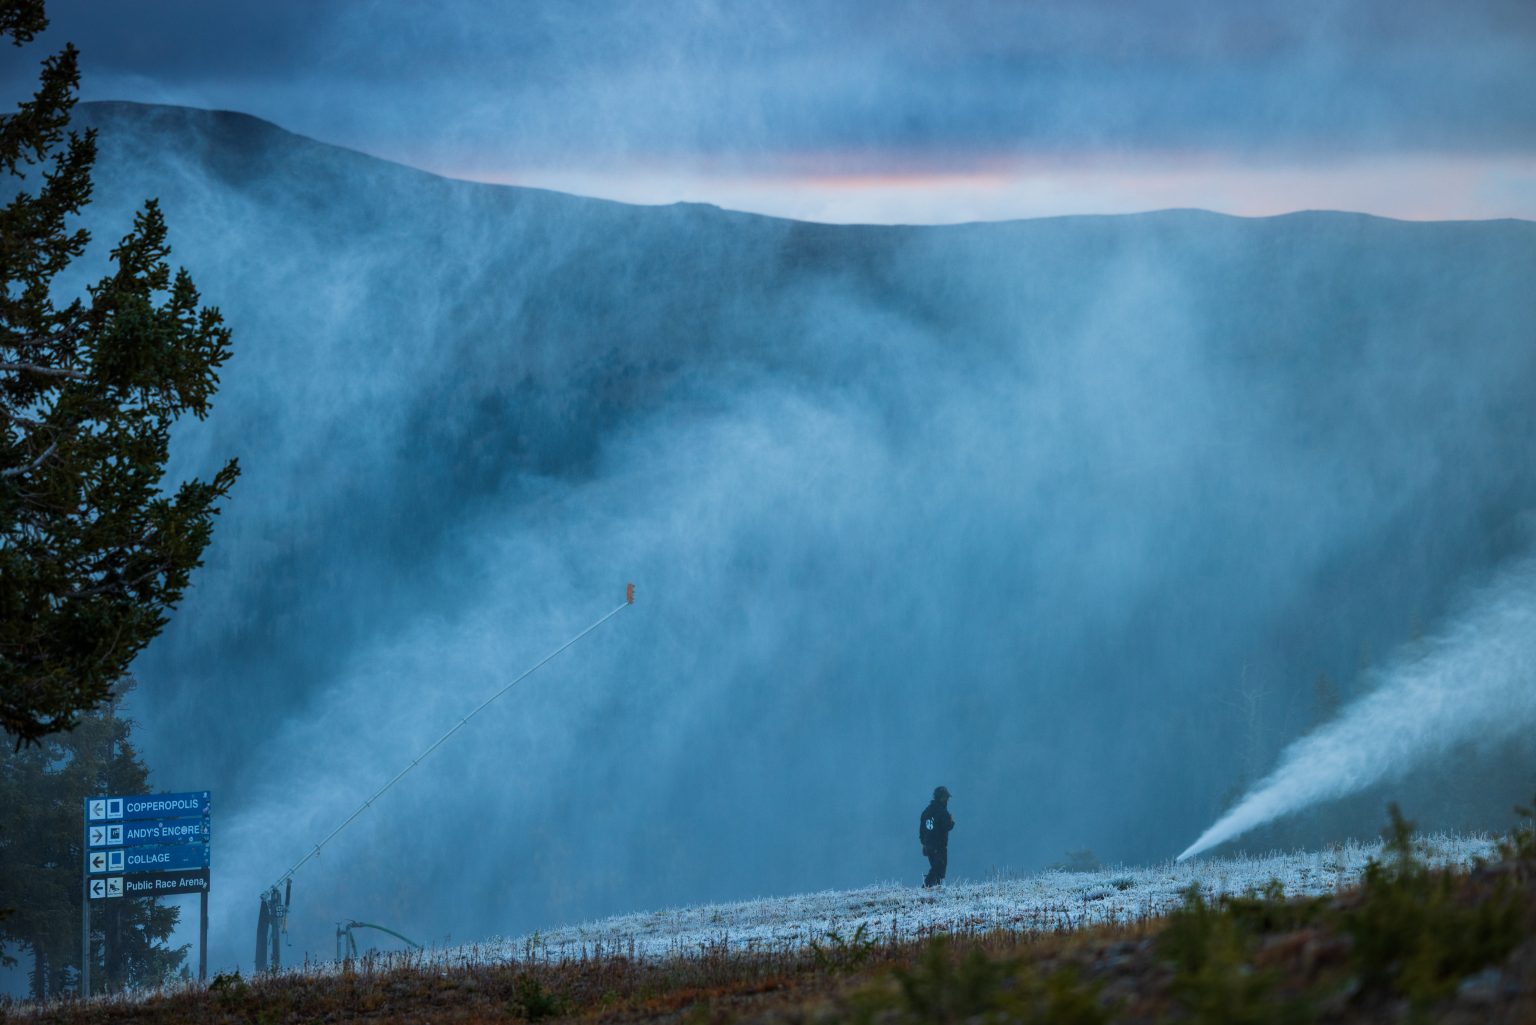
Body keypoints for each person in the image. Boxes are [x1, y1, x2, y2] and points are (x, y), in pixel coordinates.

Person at [918, 785, 954, 887]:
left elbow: (922, 830)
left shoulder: (926, 811)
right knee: (939, 867)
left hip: (928, 845)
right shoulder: (943, 812)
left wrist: (923, 843)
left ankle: (935, 889)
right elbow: (946, 826)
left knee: (936, 868)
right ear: (942, 798)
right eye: (946, 798)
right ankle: (925, 887)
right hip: (939, 845)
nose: (947, 801)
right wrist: (951, 821)